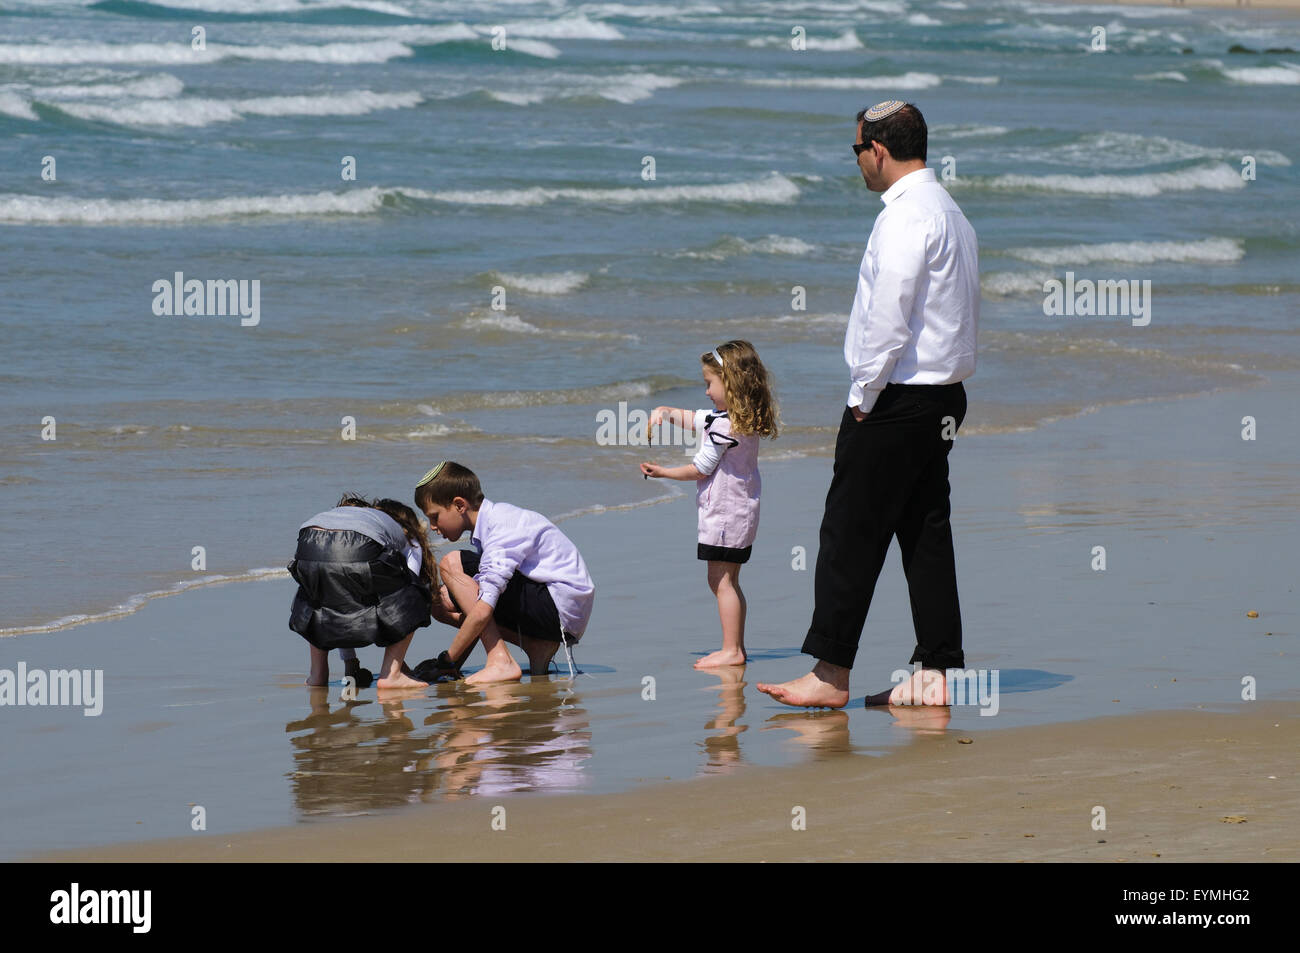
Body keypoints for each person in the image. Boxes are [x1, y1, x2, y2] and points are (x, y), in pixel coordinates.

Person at [758, 100, 979, 709]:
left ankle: (830, 675)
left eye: (856, 150)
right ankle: (934, 673)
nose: (856, 162)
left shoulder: (906, 217)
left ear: (879, 149)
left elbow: (889, 317)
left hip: (896, 401)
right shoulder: (952, 213)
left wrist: (862, 397)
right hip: (942, 399)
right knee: (925, 533)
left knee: (849, 535)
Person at [641, 340, 779, 668]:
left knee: (720, 580)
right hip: (740, 511)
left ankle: (731, 650)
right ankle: (734, 646)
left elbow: (701, 467)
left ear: (729, 383)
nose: (705, 392)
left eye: (709, 384)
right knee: (728, 579)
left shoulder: (724, 424)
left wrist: (663, 471)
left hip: (726, 515)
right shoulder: (735, 418)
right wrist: (665, 412)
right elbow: (696, 418)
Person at [415, 461, 595, 686]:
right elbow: (474, 604)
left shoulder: (502, 526)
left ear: (459, 505)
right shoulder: (491, 526)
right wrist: (454, 665)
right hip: (558, 614)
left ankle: (500, 661)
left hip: (559, 609)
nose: (432, 526)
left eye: (435, 516)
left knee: (451, 564)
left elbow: (482, 610)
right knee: (441, 603)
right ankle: (534, 644)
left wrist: (445, 660)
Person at [288, 494, 432, 691]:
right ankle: (392, 675)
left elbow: (341, 605)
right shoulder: (408, 535)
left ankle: (317, 674)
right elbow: (407, 595)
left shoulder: (355, 516)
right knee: (416, 593)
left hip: (307, 542)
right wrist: (395, 658)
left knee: (318, 599)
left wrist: (350, 663)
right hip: (359, 543)